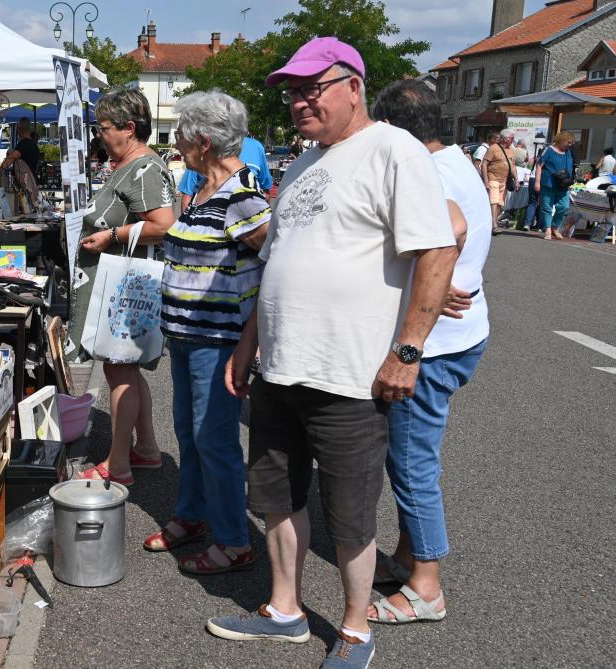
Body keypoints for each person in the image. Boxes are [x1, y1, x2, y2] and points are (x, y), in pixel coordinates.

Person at [208, 38, 458, 669]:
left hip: (349, 374)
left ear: (353, 85)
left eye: (310, 88)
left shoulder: (393, 149)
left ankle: (353, 629)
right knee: (276, 496)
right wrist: (249, 343)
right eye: (292, 92)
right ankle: (286, 610)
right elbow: (276, 264)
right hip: (280, 366)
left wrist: (408, 350)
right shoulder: (301, 164)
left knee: (349, 512)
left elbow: (436, 248)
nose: (298, 102)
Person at [369, 78, 491, 625]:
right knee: (413, 455)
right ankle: (405, 554)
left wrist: (435, 283)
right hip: (461, 339)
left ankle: (426, 585)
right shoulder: (460, 161)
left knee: (413, 462)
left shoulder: (426, 173)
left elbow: (454, 228)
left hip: (432, 347)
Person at [144, 91, 269, 575]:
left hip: (218, 343)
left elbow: (276, 263)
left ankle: (234, 540)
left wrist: (248, 342)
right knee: (189, 434)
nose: (174, 139)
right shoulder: (200, 190)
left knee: (215, 438)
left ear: (201, 140)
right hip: (187, 336)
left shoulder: (241, 197)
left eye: (178, 132)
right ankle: (191, 516)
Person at [72, 87, 177, 486]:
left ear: (129, 129)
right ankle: (146, 449)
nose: (99, 135)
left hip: (124, 290)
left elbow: (164, 225)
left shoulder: (145, 168)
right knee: (126, 369)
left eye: (104, 128)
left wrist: (113, 234)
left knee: (119, 371)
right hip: (120, 287)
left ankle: (118, 464)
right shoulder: (128, 166)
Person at [178, 138, 273, 212]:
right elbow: (188, 195)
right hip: (206, 225)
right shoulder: (204, 147)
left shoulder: (255, 146)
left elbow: (265, 190)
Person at [533, 131, 576, 240]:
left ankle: (554, 227)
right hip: (549, 183)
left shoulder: (567, 152)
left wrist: (570, 181)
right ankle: (548, 230)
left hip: (563, 184)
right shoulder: (549, 150)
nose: (570, 145)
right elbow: (539, 166)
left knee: (564, 206)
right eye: (569, 142)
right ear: (562, 140)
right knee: (547, 207)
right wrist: (537, 182)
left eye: (571, 143)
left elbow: (570, 167)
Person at [480, 129, 517, 235]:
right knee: (494, 201)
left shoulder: (511, 150)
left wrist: (517, 180)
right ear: (505, 138)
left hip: (504, 181)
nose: (513, 140)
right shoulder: (493, 148)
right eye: (511, 138)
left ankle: (492, 223)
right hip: (493, 179)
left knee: (500, 204)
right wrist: (486, 181)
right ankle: (494, 225)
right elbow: (484, 164)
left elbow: (513, 166)